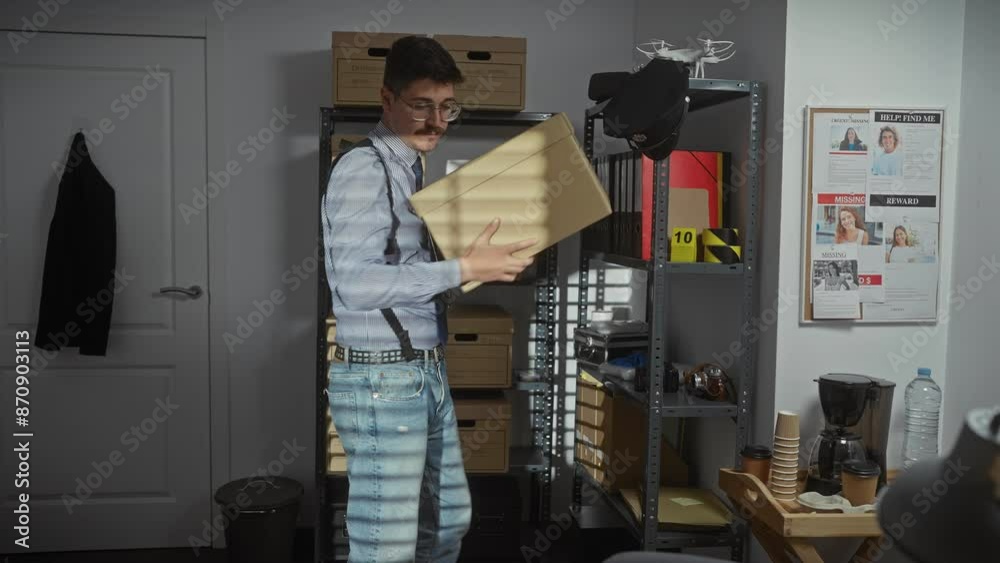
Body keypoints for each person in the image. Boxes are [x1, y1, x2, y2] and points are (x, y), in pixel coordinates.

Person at [320, 35, 535, 563]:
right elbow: (355, 283)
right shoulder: (364, 168)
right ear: (386, 99)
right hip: (381, 379)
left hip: (422, 372)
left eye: (447, 107)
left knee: (446, 521)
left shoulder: (410, 165)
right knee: (386, 545)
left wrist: (471, 258)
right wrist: (465, 269)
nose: (436, 122)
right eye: (421, 106)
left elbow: (402, 265)